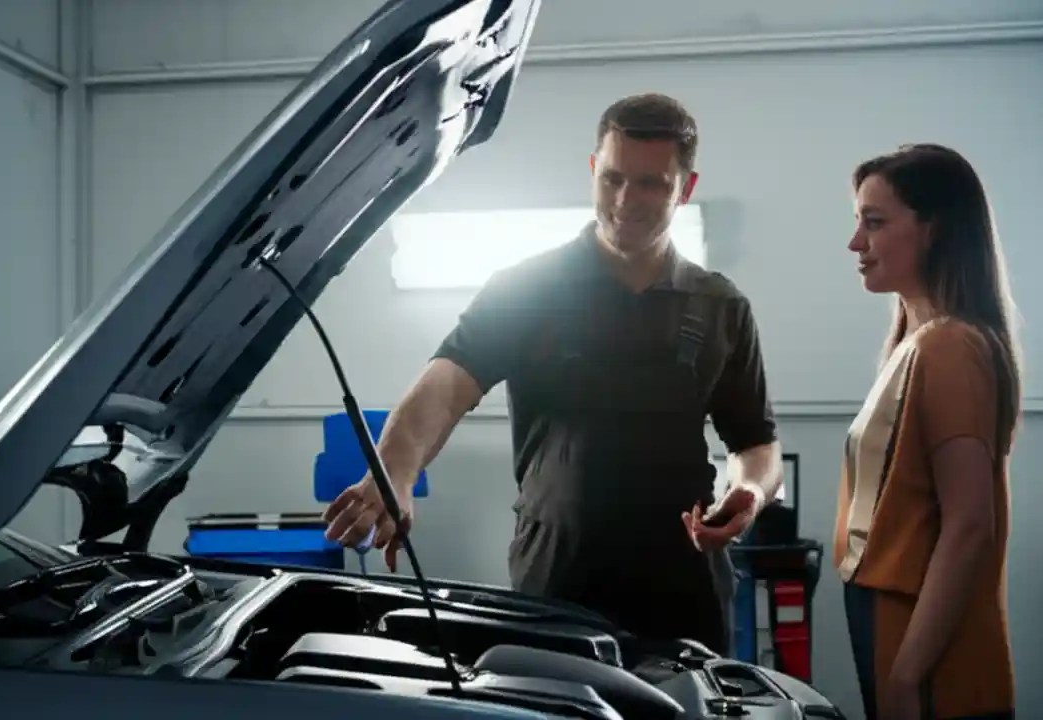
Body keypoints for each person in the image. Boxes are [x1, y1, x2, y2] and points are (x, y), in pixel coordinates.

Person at [322, 92, 784, 654]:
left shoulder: (720, 307)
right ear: (593, 169)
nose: (625, 200)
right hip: (557, 578)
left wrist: (749, 491)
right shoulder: (528, 290)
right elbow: (444, 386)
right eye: (612, 178)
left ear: (685, 188)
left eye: (650, 184)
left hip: (685, 581)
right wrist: (395, 469)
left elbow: (755, 442)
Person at [835, 143, 1021, 720]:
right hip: (891, 616)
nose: (856, 243)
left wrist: (907, 674)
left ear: (933, 229)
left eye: (874, 222)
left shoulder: (949, 346)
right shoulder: (915, 343)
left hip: (924, 639)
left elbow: (969, 524)